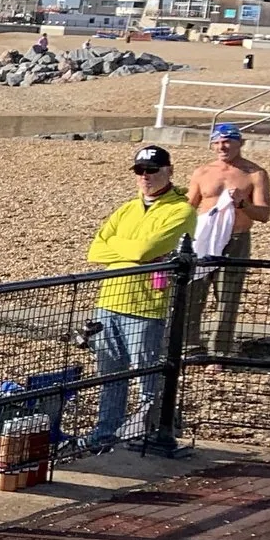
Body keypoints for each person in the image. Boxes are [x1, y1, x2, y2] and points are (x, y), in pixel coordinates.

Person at [79, 145, 195, 452]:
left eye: (152, 170)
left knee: (149, 379)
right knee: (110, 377)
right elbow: (95, 250)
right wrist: (135, 251)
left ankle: (152, 433)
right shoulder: (126, 209)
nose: (145, 176)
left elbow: (143, 250)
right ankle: (105, 436)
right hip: (109, 301)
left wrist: (126, 249)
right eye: (140, 171)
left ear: (169, 170)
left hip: (146, 307)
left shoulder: (181, 210)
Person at [185, 121, 270, 355]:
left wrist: (242, 204)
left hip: (235, 239)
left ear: (240, 144)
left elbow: (264, 213)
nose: (222, 147)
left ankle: (219, 350)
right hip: (203, 238)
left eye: (228, 142)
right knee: (193, 291)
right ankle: (189, 345)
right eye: (218, 142)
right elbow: (188, 207)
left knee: (227, 296)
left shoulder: (255, 174)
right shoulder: (202, 172)